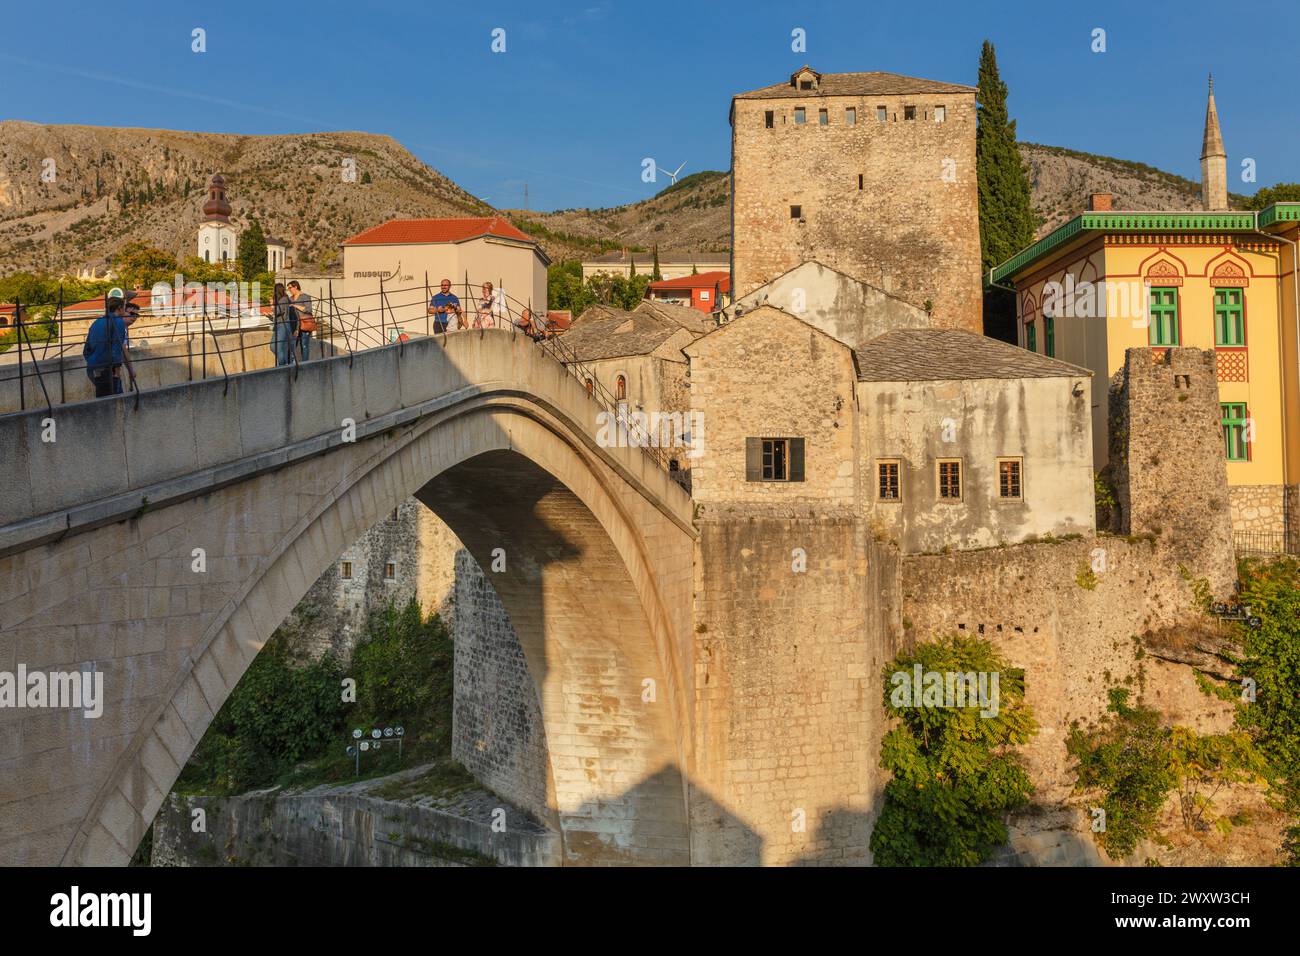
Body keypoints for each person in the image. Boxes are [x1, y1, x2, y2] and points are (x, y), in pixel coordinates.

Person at [83, 296, 135, 397]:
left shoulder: (96, 322)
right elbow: (117, 348)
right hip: (109, 369)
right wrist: (116, 370)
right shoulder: (118, 322)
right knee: (116, 403)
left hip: (94, 368)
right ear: (119, 308)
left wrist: (92, 362)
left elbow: (86, 350)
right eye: (124, 307)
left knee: (102, 400)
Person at [287, 280, 315, 361]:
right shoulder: (290, 298)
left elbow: (308, 309)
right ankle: (291, 363)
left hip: (304, 324)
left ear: (295, 287)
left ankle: (305, 364)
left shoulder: (305, 296)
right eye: (288, 288)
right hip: (294, 325)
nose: (289, 290)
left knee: (304, 345)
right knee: (293, 345)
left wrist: (295, 305)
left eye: (290, 288)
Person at [270, 282, 294, 366]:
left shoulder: (284, 299)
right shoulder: (283, 299)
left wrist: (272, 306)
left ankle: (282, 365)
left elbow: (277, 311)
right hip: (279, 325)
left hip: (282, 326)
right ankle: (283, 364)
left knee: (277, 347)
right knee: (274, 347)